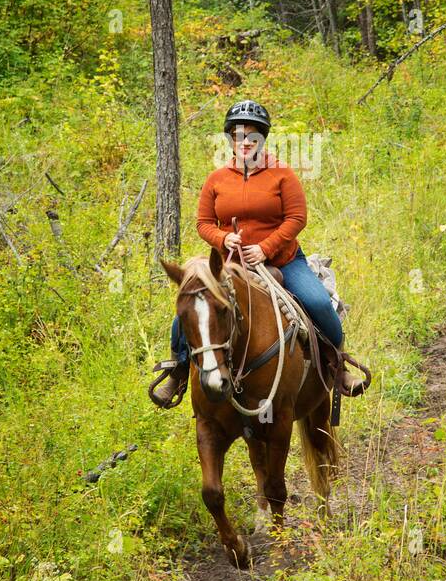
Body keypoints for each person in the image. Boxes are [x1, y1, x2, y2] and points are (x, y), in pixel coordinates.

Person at [150, 99, 364, 406]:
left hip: (283, 260)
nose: (245, 141)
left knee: (317, 302)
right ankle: (179, 372)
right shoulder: (217, 179)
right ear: (230, 139)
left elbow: (297, 218)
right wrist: (223, 239)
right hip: (228, 265)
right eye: (238, 135)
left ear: (263, 138)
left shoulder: (282, 174)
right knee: (190, 309)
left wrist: (265, 248)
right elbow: (203, 223)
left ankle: (339, 365)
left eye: (253, 135)